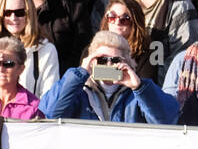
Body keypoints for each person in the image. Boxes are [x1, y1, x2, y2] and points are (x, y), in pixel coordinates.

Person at [38, 30, 178, 123]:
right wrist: (81, 72)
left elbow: (166, 120)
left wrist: (139, 87)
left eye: (115, 60)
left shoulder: (139, 91)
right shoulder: (78, 90)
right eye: (102, 60)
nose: (109, 64)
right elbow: (50, 113)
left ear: (126, 62)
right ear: (91, 61)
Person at [0, 0, 59, 99]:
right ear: (0, 16)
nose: (13, 18)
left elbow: (49, 97)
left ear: (29, 14)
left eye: (20, 13)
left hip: (34, 115)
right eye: (7, 13)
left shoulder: (47, 50)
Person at [99, 0, 152, 77]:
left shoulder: (145, 55)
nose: (117, 22)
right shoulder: (93, 50)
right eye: (112, 16)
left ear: (135, 23)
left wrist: (100, 73)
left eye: (125, 19)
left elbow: (145, 86)